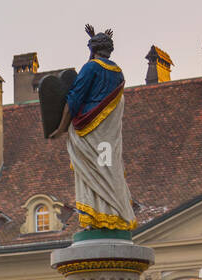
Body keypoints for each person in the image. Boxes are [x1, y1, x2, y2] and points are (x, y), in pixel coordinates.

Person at [48, 24, 136, 233]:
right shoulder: (118, 73)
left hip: (87, 132)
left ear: (93, 50)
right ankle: (113, 214)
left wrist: (61, 128)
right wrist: (93, 45)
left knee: (90, 173)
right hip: (107, 134)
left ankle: (95, 218)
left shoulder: (91, 68)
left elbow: (75, 97)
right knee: (107, 169)